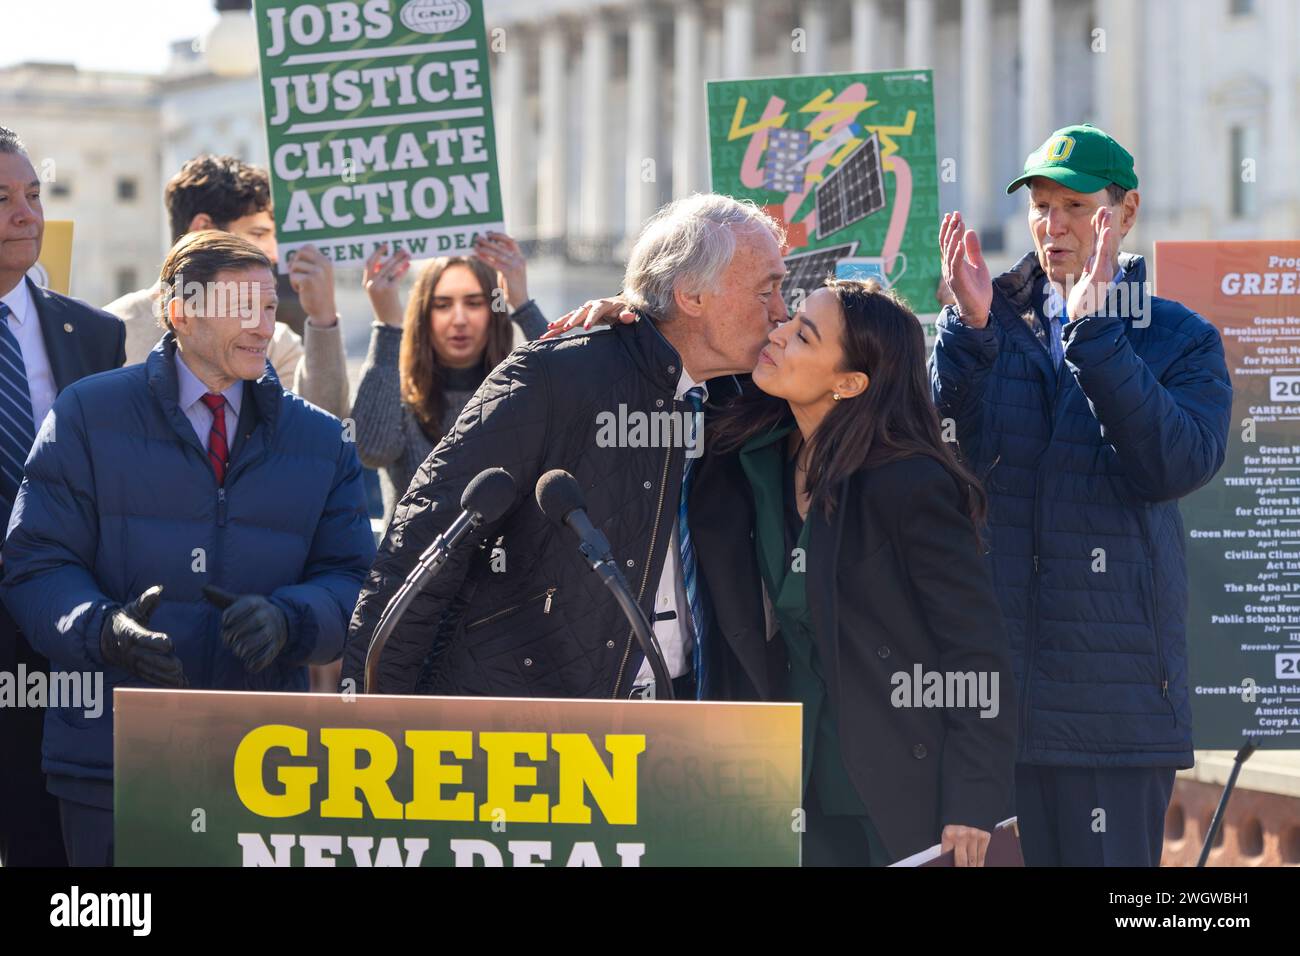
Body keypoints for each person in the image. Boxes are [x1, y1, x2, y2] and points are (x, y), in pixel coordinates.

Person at [1, 230, 375, 865]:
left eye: (268, 304)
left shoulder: (322, 442)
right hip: (110, 760)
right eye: (242, 307)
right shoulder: (88, 415)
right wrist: (103, 631)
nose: (264, 325)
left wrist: (291, 619)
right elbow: (36, 564)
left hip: (260, 765)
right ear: (181, 311)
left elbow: (355, 581)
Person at [341, 194, 788, 700]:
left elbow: (867, 370)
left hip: (689, 713)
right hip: (543, 720)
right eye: (766, 291)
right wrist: (373, 713)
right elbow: (422, 543)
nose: (781, 311)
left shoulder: (744, 395)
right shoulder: (554, 375)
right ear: (691, 296)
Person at [930, 124, 1232, 866]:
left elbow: (1174, 466)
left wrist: (1097, 336)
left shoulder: (1178, 338)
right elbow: (938, 452)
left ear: (1124, 213)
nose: (1052, 225)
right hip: (990, 705)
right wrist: (966, 335)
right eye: (1040, 205)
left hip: (1113, 711)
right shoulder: (981, 322)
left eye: (1074, 205)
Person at [686, 278, 1015, 866]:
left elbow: (977, 654)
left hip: (900, 789)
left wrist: (973, 800)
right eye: (790, 322)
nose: (779, 332)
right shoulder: (749, 452)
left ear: (849, 383)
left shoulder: (911, 484)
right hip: (786, 782)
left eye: (803, 335)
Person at [0, 126, 125, 867]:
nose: (27, 215)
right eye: (3, 199)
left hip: (64, 637)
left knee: (55, 841)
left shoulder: (95, 336)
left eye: (34, 195)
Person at [104, 154, 349, 417]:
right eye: (258, 234)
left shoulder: (275, 342)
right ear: (203, 229)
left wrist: (323, 320)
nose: (274, 254)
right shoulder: (109, 332)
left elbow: (323, 438)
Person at [349, 234, 547, 526]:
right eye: (442, 305)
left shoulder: (519, 392)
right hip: (412, 569)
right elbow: (372, 449)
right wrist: (388, 326)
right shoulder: (396, 394)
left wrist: (522, 305)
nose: (459, 319)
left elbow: (575, 407)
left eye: (474, 303)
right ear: (423, 315)